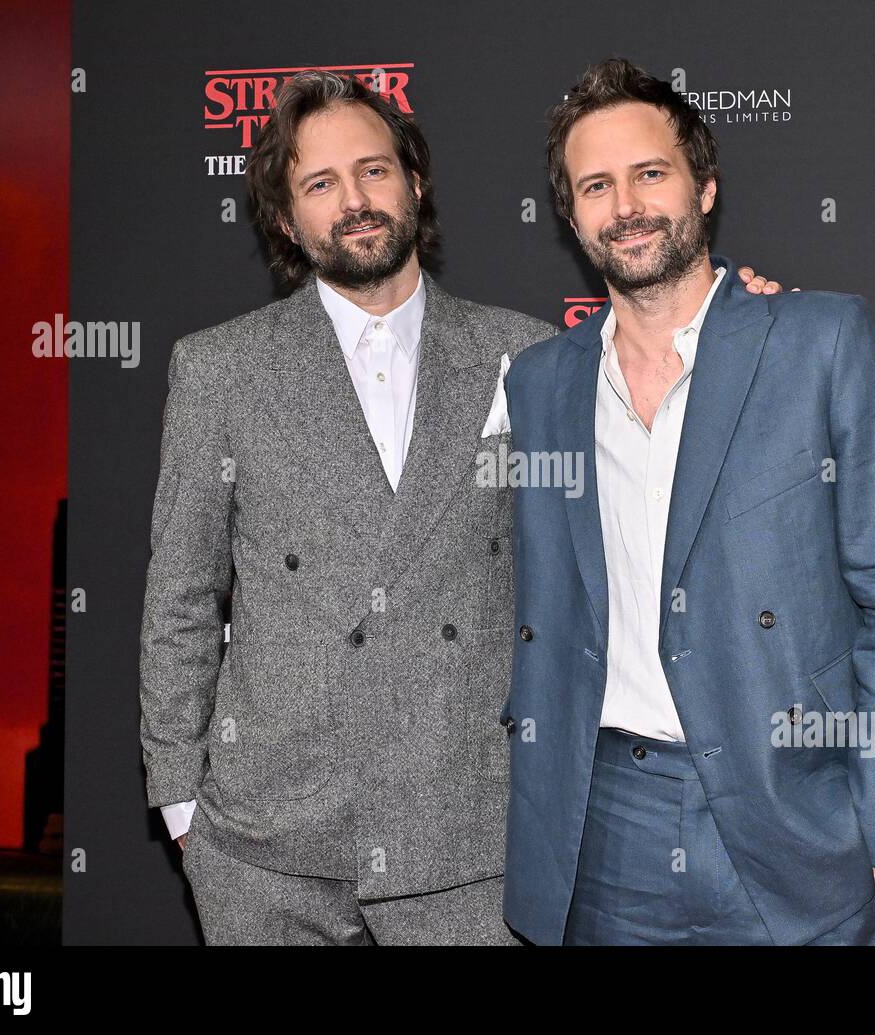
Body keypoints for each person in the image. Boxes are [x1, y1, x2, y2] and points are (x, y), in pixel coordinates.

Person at [138, 68, 783, 944]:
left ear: (414, 181)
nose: (354, 201)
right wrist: (183, 804)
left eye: (373, 170)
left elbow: (646, 463)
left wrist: (741, 318)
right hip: (266, 846)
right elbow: (181, 596)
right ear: (286, 219)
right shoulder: (221, 369)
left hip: (470, 835)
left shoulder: (528, 356)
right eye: (320, 184)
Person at [501, 58, 875, 945]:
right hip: (603, 825)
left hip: (797, 813)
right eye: (596, 185)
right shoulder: (539, 384)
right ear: (572, 215)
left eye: (650, 173)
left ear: (704, 187)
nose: (626, 205)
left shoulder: (820, 341)